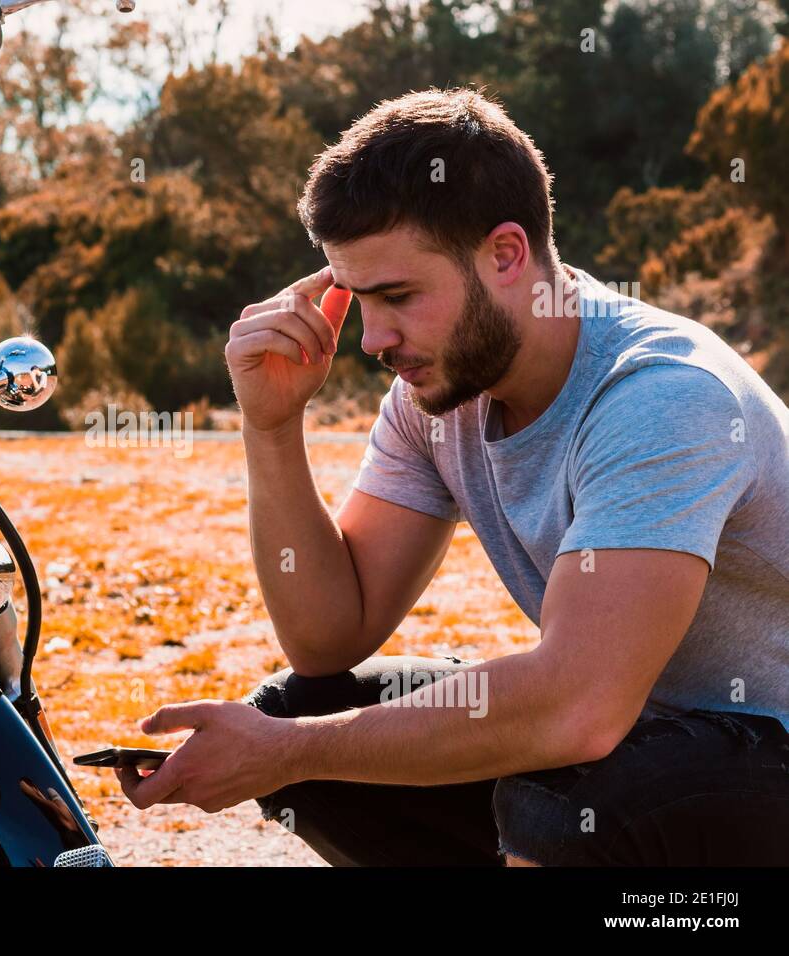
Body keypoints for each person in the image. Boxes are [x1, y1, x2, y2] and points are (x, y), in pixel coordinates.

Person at [115, 88, 789, 866]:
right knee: (302, 709)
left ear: (506, 255)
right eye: (357, 298)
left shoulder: (662, 395)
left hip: (759, 762)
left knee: (562, 798)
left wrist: (289, 752)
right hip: (640, 744)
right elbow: (326, 638)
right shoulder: (434, 400)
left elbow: (578, 709)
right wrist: (271, 426)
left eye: (398, 295)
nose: (373, 337)